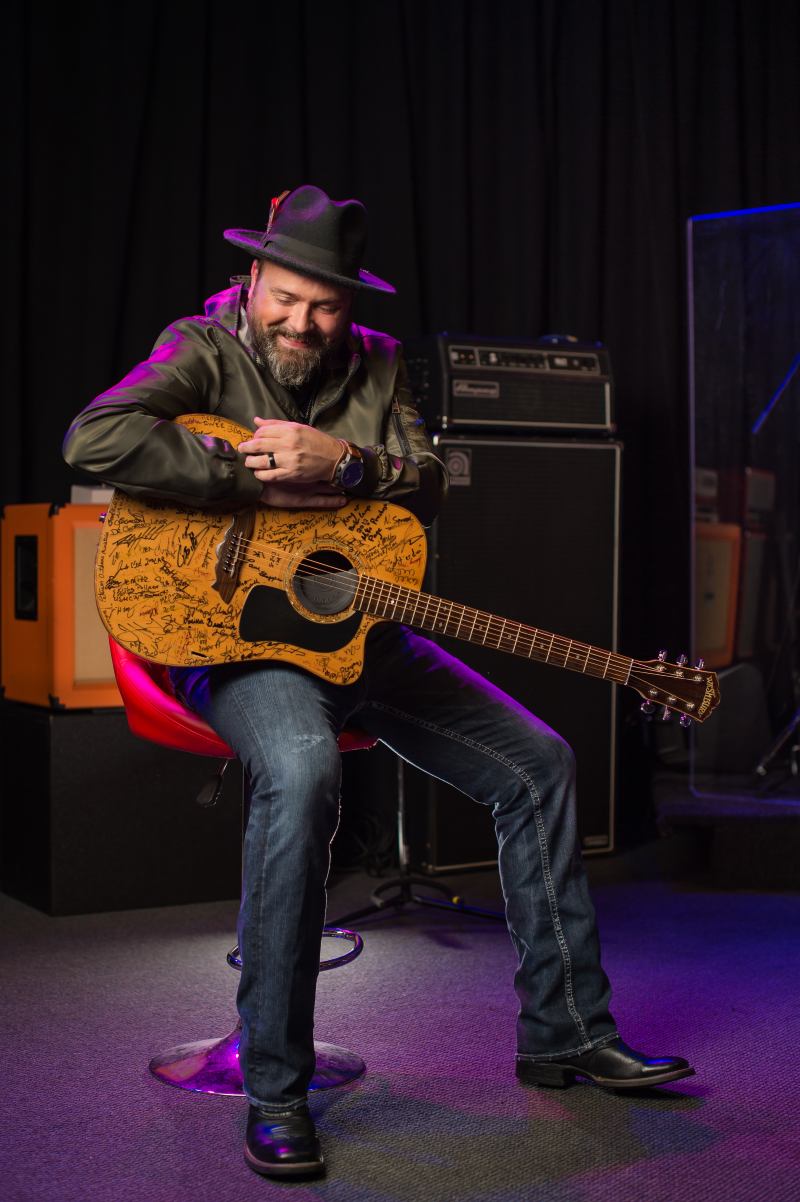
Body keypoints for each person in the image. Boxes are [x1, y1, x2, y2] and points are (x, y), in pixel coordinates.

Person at [64, 186, 693, 1179]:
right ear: (253, 279)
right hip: (223, 635)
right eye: (286, 297)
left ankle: (566, 1031)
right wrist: (245, 476)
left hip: (359, 629)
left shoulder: (380, 359)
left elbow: (430, 480)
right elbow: (92, 439)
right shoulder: (198, 343)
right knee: (307, 767)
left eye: (323, 306)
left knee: (538, 759)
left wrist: (346, 462)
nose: (301, 322)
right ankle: (276, 1083)